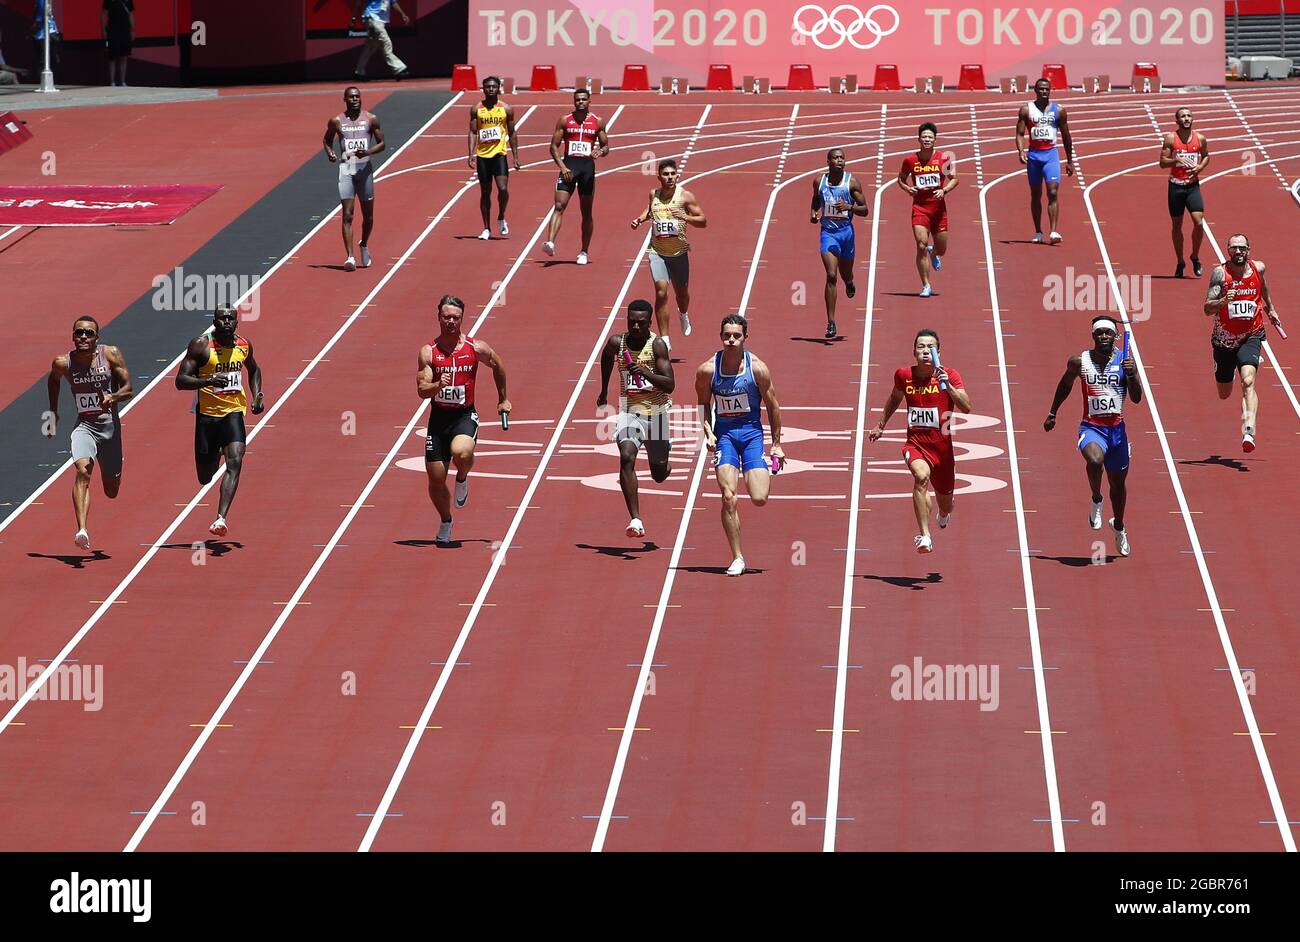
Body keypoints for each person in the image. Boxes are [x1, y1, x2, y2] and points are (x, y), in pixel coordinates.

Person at [1043, 316, 1143, 557]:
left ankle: (1118, 526)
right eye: (1099, 333)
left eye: (1108, 333)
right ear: (1093, 337)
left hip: (1117, 431)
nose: (1104, 337)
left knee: (1118, 487)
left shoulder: (1125, 361)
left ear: (1116, 336)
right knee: (1095, 461)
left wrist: (1131, 375)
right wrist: (1052, 412)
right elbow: (1065, 385)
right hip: (1091, 428)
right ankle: (1096, 499)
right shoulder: (1079, 362)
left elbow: (1137, 398)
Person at [416, 295, 511, 544]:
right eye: (446, 317)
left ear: (462, 319)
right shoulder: (429, 352)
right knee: (436, 480)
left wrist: (503, 398)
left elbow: (498, 364)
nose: (450, 322)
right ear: (438, 317)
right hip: (438, 419)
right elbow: (421, 390)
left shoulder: (475, 347)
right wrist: (437, 385)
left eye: (455, 318)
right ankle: (446, 521)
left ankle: (461, 477)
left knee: (462, 451)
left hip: (463, 415)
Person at [867, 330, 971, 554]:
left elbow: (967, 406)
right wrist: (881, 425)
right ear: (914, 352)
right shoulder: (904, 375)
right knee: (920, 477)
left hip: (943, 450)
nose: (925, 351)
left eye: (929, 347)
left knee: (946, 503)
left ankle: (943, 514)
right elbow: (895, 398)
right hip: (916, 444)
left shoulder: (949, 375)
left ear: (938, 352)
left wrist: (949, 387)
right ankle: (925, 535)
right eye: (921, 347)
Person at [694, 314, 783, 576]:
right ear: (720, 336)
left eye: (736, 336)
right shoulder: (708, 370)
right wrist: (707, 431)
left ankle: (763, 465)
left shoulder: (757, 368)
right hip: (725, 436)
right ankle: (737, 557)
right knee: (728, 496)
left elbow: (773, 406)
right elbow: (702, 404)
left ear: (745, 337)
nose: (731, 340)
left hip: (752, 434)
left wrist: (776, 444)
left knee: (759, 498)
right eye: (726, 336)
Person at [45, 316, 133, 550]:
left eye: (89, 333)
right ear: (73, 336)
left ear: (97, 337)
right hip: (84, 426)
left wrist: (112, 397)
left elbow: (129, 389)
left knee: (111, 489)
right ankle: (82, 530)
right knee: (83, 472)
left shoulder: (111, 354)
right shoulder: (63, 362)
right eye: (79, 332)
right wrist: (53, 412)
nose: (83, 337)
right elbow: (53, 381)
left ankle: (112, 473)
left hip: (110, 429)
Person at [176, 305, 264, 538]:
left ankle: (220, 518)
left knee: (236, 460)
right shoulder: (201, 346)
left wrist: (256, 396)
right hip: (207, 417)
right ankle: (215, 454)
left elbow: (254, 370)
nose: (226, 322)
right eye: (221, 318)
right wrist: (209, 379)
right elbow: (181, 380)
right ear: (214, 322)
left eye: (230, 319)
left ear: (237, 323)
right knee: (205, 477)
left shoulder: (244, 345)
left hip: (233, 412)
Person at [597, 300, 674, 539]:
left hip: (657, 414)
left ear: (650, 323)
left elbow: (670, 385)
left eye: (641, 323)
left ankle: (664, 459)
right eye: (632, 322)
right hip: (630, 413)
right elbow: (606, 357)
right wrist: (603, 391)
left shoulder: (657, 345)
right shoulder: (617, 343)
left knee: (659, 474)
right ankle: (636, 519)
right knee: (626, 456)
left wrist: (647, 374)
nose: (636, 327)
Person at [1203, 234, 1284, 452]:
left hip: (1252, 334)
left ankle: (1249, 430)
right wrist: (1223, 301)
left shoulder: (1258, 268)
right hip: (1224, 341)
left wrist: (1271, 309)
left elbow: (1263, 288)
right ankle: (1229, 366)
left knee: (1248, 381)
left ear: (1248, 249)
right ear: (1228, 251)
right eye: (1234, 248)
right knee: (1224, 393)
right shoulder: (1220, 274)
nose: (1238, 252)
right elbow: (1207, 308)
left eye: (1242, 248)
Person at [631, 159, 707, 351]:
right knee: (661, 292)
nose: (670, 177)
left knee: (682, 294)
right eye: (666, 174)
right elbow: (650, 210)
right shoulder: (653, 194)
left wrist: (685, 217)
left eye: (673, 174)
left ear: (677, 176)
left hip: (679, 252)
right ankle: (665, 337)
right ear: (659, 177)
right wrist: (639, 219)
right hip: (657, 251)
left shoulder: (685, 197)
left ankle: (683, 313)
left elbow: (703, 220)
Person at [543, 88, 610, 265]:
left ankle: (584, 251)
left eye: (583, 99)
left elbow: (606, 146)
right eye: (577, 100)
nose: (580, 102)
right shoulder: (564, 120)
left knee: (586, 212)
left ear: (589, 101)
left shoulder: (598, 122)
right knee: (559, 205)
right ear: (574, 101)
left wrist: (600, 151)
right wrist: (563, 166)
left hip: (587, 169)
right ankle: (550, 242)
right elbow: (553, 147)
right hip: (569, 167)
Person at [323, 86, 386, 272]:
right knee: (348, 214)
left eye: (358, 96)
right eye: (351, 97)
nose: (355, 99)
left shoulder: (371, 119)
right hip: (347, 169)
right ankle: (349, 257)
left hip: (365, 169)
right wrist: (330, 153)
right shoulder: (336, 121)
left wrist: (367, 152)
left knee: (368, 217)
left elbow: (382, 143)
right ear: (345, 100)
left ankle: (364, 244)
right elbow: (327, 140)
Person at [810, 147, 868, 338]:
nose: (840, 161)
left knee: (845, 273)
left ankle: (850, 281)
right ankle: (831, 322)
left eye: (842, 158)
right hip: (828, 233)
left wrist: (849, 206)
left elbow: (865, 210)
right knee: (831, 275)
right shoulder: (820, 181)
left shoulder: (851, 182)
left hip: (846, 233)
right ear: (828, 161)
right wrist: (813, 212)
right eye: (835, 158)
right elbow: (816, 199)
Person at [898, 123, 959, 298]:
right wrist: (907, 188)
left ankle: (935, 252)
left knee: (942, 249)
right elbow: (900, 179)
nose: (927, 139)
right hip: (920, 208)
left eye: (930, 137)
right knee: (921, 245)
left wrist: (944, 190)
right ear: (919, 139)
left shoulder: (943, 158)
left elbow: (954, 178)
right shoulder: (910, 160)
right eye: (924, 137)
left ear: (934, 140)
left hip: (939, 210)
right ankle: (926, 285)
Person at [1016, 78, 1074, 245]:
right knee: (1036, 194)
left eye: (1047, 89)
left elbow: (1066, 136)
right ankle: (1038, 231)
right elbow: (1019, 134)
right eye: (1041, 89)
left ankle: (1054, 231)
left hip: (1051, 155)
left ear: (1050, 90)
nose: (1044, 92)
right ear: (1035, 90)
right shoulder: (1026, 110)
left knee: (1053, 192)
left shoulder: (1059, 111)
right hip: (1034, 156)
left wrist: (1070, 161)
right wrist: (1021, 151)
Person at [1159, 107, 1210, 278]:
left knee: (1198, 222)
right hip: (1175, 187)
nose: (1186, 118)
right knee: (1177, 226)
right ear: (1177, 121)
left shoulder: (1200, 138)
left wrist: (1200, 167)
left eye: (1189, 116)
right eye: (1183, 116)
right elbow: (1162, 162)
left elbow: (1206, 156)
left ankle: (1195, 256)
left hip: (1192, 186)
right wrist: (1176, 159)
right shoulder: (1170, 139)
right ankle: (1180, 261)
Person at [469, 77, 521, 241]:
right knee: (485, 192)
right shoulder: (476, 108)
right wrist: (470, 154)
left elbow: (512, 132)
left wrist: (516, 156)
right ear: (483, 89)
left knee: (503, 189)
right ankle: (486, 228)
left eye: (493, 87)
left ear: (499, 88)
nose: (491, 89)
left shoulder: (506, 109)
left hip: (499, 154)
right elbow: (472, 132)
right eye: (487, 87)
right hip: (483, 156)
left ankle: (501, 216)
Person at [351, 0, 410, 81]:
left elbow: (393, 2)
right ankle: (399, 69)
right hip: (372, 18)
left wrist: (403, 14)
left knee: (370, 47)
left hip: (379, 21)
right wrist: (353, 19)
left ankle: (359, 72)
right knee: (386, 42)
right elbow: (358, 2)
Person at [101, 0, 133, 87]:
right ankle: (112, 82)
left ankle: (123, 82)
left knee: (124, 57)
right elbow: (103, 13)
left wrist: (132, 30)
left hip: (125, 31)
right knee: (112, 57)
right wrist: (103, 29)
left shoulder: (128, 1)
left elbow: (130, 14)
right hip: (112, 31)